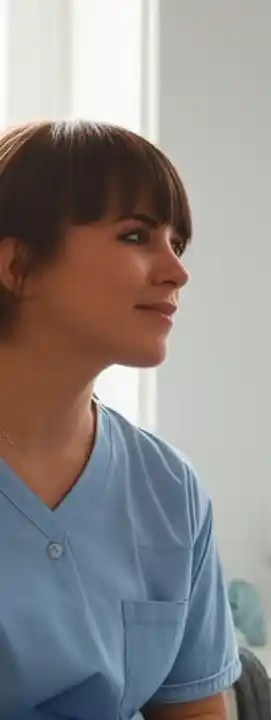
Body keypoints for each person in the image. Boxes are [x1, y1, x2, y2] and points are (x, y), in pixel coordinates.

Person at [0, 121, 241, 719]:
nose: (176, 273)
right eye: (136, 236)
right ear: (17, 264)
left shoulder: (168, 489)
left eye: (177, 245)